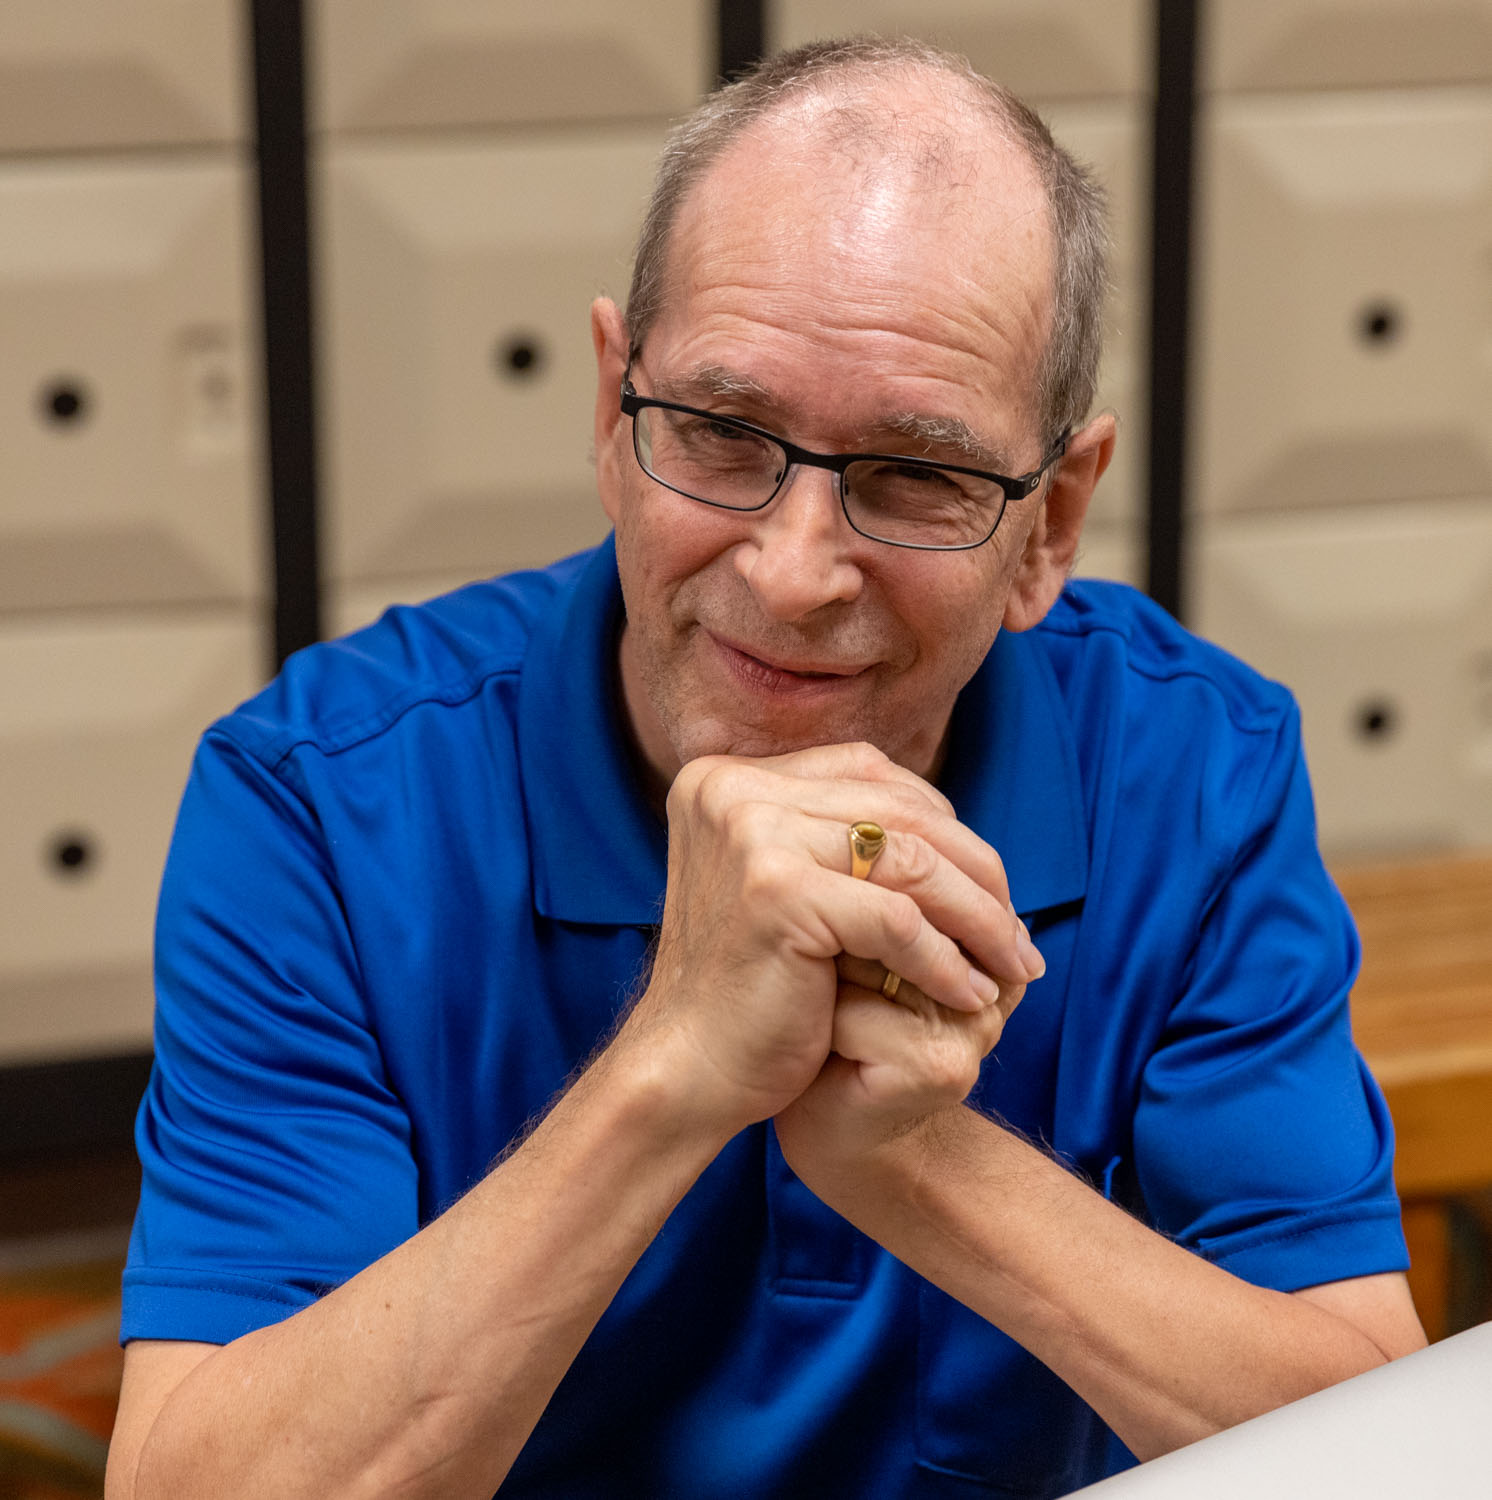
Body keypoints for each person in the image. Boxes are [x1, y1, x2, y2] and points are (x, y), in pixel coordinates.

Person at [105, 35, 1425, 1500]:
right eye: (723, 436)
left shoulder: (1195, 770)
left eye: (915, 475)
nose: (796, 573)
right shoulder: (321, 800)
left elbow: (1381, 1452)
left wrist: (918, 1162)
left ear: (1052, 521)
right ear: (614, 412)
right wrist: (673, 1070)